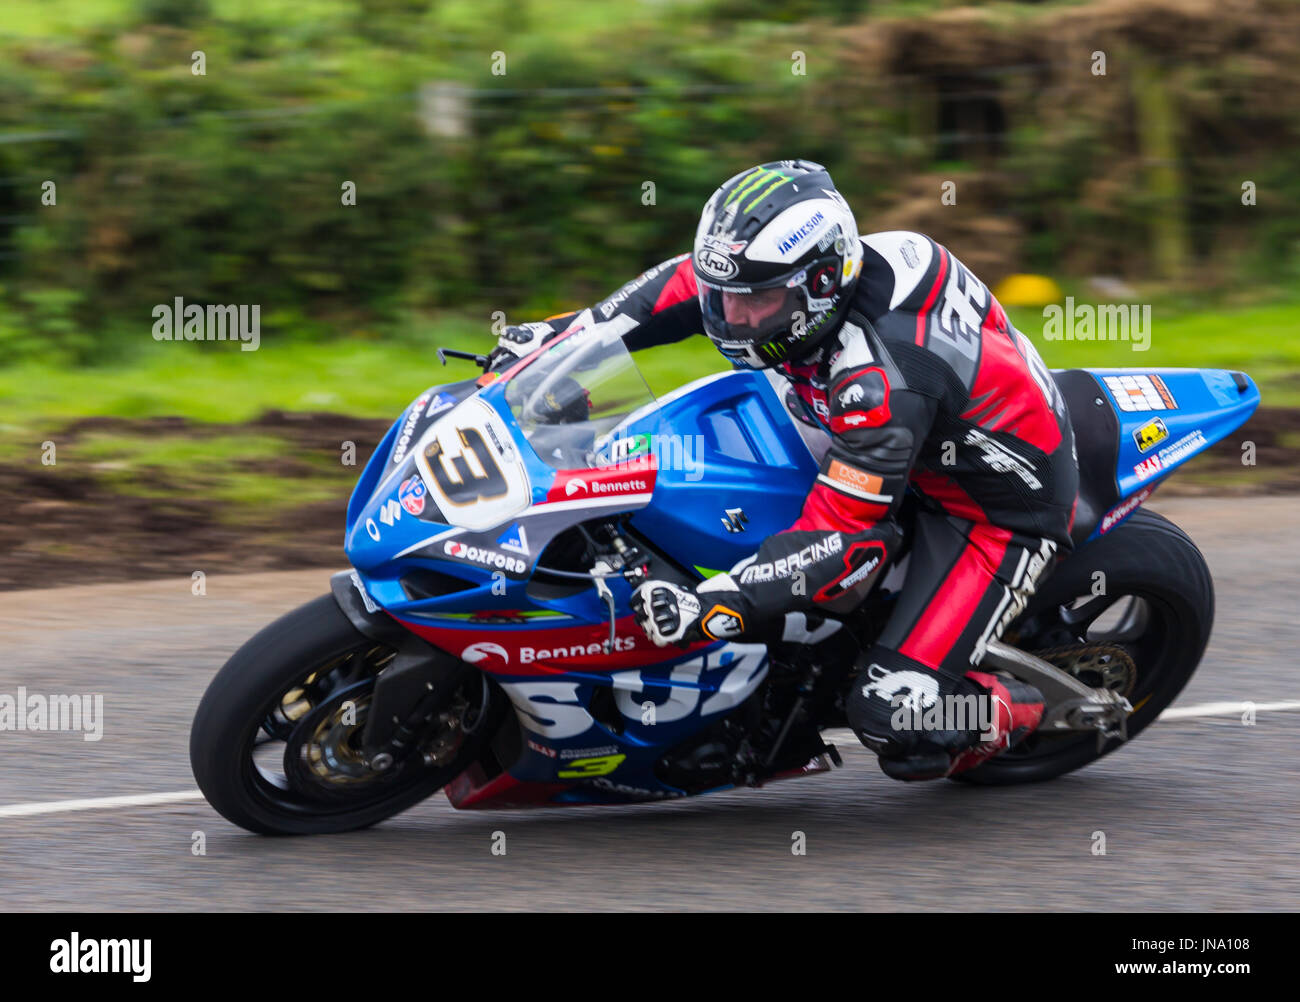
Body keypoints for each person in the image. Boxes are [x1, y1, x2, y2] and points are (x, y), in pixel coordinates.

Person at [490, 159, 1078, 781]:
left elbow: (846, 537)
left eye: (757, 302)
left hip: (991, 509)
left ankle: (1023, 710)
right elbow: (687, 286)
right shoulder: (802, 284)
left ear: (822, 282)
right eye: (729, 296)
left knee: (891, 713)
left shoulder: (878, 378)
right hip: (890, 432)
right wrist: (560, 339)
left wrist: (716, 602)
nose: (731, 318)